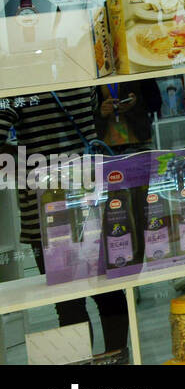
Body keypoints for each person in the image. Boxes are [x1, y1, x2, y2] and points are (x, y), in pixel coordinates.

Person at [0, 87, 130, 357]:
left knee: (68, 303)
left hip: (46, 211)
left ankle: (80, 373)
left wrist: (18, 154)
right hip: (90, 197)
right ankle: (117, 360)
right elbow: (91, 109)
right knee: (110, 294)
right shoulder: (80, 75)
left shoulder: (18, 85)